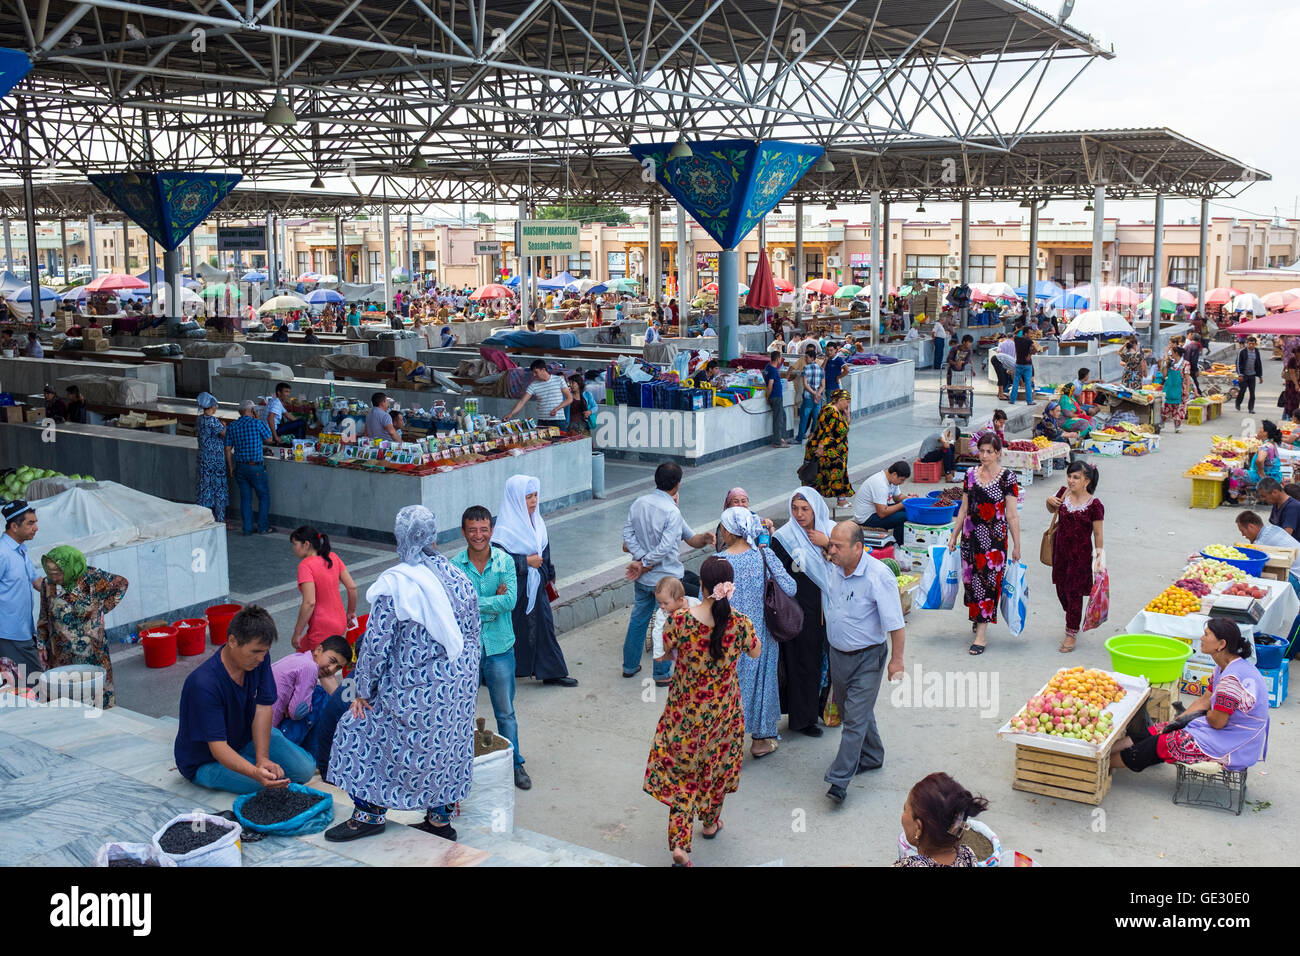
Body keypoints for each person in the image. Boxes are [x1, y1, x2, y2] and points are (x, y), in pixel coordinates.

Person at [325, 506, 481, 842]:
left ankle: (368, 816)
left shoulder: (397, 585)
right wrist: (460, 691)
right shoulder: (458, 578)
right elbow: (472, 638)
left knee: (357, 730)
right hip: (454, 696)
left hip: (409, 696)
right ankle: (440, 822)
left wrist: (363, 693)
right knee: (445, 748)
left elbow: (375, 646)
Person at [643, 556, 759, 867]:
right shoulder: (740, 623)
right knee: (716, 770)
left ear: (703, 586)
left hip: (684, 715)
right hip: (723, 714)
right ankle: (709, 823)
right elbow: (756, 650)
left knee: (684, 776)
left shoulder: (680, 622)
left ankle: (680, 843)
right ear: (729, 587)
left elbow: (664, 655)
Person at [174, 605, 316, 794]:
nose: (261, 658)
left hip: (244, 737)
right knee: (270, 785)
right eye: (255, 651)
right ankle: (244, 766)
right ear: (232, 641)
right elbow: (218, 748)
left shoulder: (260, 659)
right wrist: (254, 771)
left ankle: (253, 758)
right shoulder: (203, 684)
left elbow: (264, 707)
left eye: (264, 652)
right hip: (205, 760)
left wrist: (263, 758)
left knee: (304, 771)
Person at [1112, 620, 1269, 775]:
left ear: (1221, 644)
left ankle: (1105, 764)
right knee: (1161, 729)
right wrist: (1178, 721)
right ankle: (1107, 751)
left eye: (1207, 634)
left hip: (1234, 743)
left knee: (1165, 743)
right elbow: (1205, 700)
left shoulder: (1231, 680)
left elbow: (1218, 722)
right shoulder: (1226, 666)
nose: (1202, 638)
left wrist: (1201, 717)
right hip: (1224, 730)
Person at [822, 521, 905, 804]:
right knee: (852, 710)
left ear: (858, 547)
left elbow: (896, 623)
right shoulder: (832, 568)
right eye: (830, 544)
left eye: (837, 546)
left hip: (868, 657)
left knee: (854, 719)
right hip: (837, 655)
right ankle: (872, 755)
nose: (831, 550)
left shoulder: (878, 576)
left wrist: (897, 660)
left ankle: (839, 779)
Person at [453, 505, 530, 789]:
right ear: (463, 532)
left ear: (491, 531)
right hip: (467, 650)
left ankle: (515, 764)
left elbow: (510, 601)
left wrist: (474, 603)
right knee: (461, 710)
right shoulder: (454, 565)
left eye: (484, 530)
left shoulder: (504, 561)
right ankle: (461, 765)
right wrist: (490, 604)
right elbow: (455, 606)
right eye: (472, 530)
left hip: (499, 647)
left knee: (505, 711)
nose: (478, 535)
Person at [622, 462, 715, 682]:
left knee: (638, 620)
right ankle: (662, 674)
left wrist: (640, 560)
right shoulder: (671, 512)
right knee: (665, 626)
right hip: (665, 581)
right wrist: (645, 562)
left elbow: (628, 534)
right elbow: (664, 548)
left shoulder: (639, 503)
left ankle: (629, 665)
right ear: (677, 485)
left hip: (643, 578)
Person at [716, 507, 796, 759]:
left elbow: (704, 601)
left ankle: (727, 743)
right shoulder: (765, 556)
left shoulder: (717, 563)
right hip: (760, 636)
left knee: (729, 688)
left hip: (727, 637)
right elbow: (791, 588)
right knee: (762, 684)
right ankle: (761, 741)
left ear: (727, 531)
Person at [492, 475, 577, 687]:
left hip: (536, 584)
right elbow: (497, 562)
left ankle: (552, 672)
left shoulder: (537, 521)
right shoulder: (504, 529)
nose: (533, 501)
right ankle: (495, 673)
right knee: (508, 629)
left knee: (544, 626)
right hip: (514, 587)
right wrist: (525, 561)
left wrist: (549, 571)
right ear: (516, 499)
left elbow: (544, 550)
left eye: (535, 495)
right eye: (528, 496)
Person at [947, 433, 1021, 655]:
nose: (985, 455)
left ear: (998, 453)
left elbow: (1012, 515)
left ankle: (981, 635)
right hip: (970, 539)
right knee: (971, 583)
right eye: (982, 451)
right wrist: (954, 535)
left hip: (994, 542)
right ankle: (978, 616)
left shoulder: (1008, 478)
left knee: (987, 584)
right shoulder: (970, 475)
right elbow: (963, 508)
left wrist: (1017, 545)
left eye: (990, 451)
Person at [771, 487, 833, 738]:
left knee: (828, 662)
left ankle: (824, 709)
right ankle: (803, 719)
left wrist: (826, 544)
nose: (799, 514)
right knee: (802, 664)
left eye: (805, 509)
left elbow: (848, 559)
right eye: (795, 508)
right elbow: (775, 575)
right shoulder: (784, 538)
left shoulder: (829, 531)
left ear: (815, 508)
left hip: (829, 610)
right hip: (798, 615)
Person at [35, 546, 128, 708]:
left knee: (96, 697)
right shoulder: (47, 584)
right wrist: (41, 644)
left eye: (58, 572)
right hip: (60, 653)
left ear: (71, 567)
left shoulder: (92, 578)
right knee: (66, 698)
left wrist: (103, 609)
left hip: (92, 651)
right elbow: (44, 615)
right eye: (50, 571)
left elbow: (122, 584)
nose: (53, 577)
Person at [1045, 462, 1105, 654]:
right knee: (1061, 590)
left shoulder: (1095, 505)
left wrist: (1099, 556)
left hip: (1080, 557)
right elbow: (1050, 510)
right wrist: (1049, 501)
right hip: (1060, 553)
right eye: (1069, 476)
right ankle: (1072, 615)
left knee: (1074, 593)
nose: (1071, 480)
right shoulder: (1063, 493)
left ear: (1086, 481)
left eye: (1076, 477)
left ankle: (1071, 633)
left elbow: (1097, 533)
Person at [271, 635, 352, 757]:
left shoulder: (298, 658)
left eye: (338, 667)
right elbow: (297, 713)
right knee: (321, 697)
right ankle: (311, 758)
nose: (331, 669)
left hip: (256, 722)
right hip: (266, 733)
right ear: (318, 650)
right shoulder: (310, 667)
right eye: (332, 660)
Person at [894, 772, 988, 868]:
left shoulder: (906, 865)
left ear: (918, 828)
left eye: (905, 809)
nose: (903, 815)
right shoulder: (968, 855)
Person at [289, 526, 358, 652]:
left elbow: (309, 602)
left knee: (309, 663)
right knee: (326, 662)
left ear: (306, 544)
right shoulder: (333, 557)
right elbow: (352, 587)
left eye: (295, 544)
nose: (293, 548)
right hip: (340, 622)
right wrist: (351, 612)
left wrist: (297, 632)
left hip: (321, 627)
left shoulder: (305, 566)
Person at [0, 501, 45, 686]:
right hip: (9, 633)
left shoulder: (21, 549)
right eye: (30, 523)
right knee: (32, 683)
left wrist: (68, 591)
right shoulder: (2, 553)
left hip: (24, 629)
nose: (36, 527)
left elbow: (36, 581)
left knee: (24, 683)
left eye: (35, 522)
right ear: (14, 526)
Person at [224, 399, 273, 535]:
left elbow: (227, 449)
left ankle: (247, 528)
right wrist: (259, 418)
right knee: (263, 496)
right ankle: (263, 527)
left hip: (240, 467)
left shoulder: (232, 426)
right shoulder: (257, 423)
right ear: (252, 411)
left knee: (245, 499)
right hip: (255, 467)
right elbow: (269, 439)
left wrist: (231, 468)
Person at [802, 388, 854, 507]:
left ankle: (841, 499)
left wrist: (847, 415)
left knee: (838, 473)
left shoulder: (838, 411)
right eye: (847, 402)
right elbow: (825, 432)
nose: (847, 405)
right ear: (840, 400)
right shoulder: (829, 411)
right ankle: (810, 499)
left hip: (836, 451)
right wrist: (820, 448)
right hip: (826, 451)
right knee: (818, 474)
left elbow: (844, 428)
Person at [853, 461, 916, 546]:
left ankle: (900, 541)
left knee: (908, 509)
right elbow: (882, 513)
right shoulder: (880, 484)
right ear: (894, 474)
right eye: (901, 480)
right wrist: (903, 504)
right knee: (904, 517)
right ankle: (898, 545)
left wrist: (909, 500)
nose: (902, 483)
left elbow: (898, 497)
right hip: (866, 517)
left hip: (877, 510)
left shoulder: (892, 480)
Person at [1235, 510, 1300, 587]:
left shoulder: (1261, 542)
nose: (1243, 535)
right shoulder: (1273, 528)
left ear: (1251, 527)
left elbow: (1249, 562)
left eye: (1242, 531)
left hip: (1296, 577)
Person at [1228, 424, 1284, 504]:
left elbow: (1260, 460)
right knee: (1246, 470)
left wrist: (1261, 472)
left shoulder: (1266, 446)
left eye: (1261, 428)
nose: (1258, 430)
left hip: (1265, 477)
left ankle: (1232, 498)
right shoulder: (1272, 444)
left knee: (1235, 472)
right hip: (1274, 476)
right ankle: (1245, 493)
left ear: (1265, 433)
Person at [193, 392, 228, 523]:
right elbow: (224, 433)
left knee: (205, 488)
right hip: (215, 460)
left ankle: (204, 519)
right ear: (212, 405)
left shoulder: (200, 419)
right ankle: (220, 519)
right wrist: (224, 425)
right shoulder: (213, 421)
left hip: (203, 458)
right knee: (218, 489)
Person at [507, 360, 572, 428]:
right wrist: (511, 414)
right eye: (533, 373)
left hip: (558, 420)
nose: (534, 375)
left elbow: (569, 398)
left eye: (536, 372)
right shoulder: (533, 385)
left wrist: (557, 408)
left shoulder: (559, 380)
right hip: (542, 421)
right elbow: (522, 402)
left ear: (543, 370)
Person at [795, 343, 825, 443]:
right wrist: (817, 393)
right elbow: (823, 385)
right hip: (818, 398)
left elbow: (805, 384)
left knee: (804, 418)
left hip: (808, 397)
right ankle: (815, 439)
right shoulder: (821, 369)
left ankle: (799, 439)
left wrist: (813, 393)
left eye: (807, 357)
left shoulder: (806, 368)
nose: (806, 359)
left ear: (812, 358)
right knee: (816, 419)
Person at [1256, 477, 1300, 541]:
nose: (1263, 499)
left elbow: (1286, 536)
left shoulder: (1292, 507)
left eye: (1264, 496)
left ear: (1275, 492)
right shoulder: (1276, 504)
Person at [763, 349, 790, 448]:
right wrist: (768, 396)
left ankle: (781, 437)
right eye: (780, 358)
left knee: (782, 416)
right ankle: (777, 441)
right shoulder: (773, 370)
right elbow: (770, 384)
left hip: (775, 396)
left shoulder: (767, 367)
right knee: (778, 419)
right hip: (775, 396)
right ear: (778, 359)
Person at [1160, 346, 1191, 433]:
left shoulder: (1185, 364)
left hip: (1180, 389)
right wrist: (1165, 364)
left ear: (1176, 353)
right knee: (1166, 407)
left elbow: (1187, 378)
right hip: (1169, 388)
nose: (1170, 354)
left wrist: (1187, 390)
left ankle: (1177, 427)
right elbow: (1165, 375)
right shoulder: (1170, 363)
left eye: (1171, 352)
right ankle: (1161, 423)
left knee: (1179, 408)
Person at [1008, 328, 1037, 405]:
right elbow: (1036, 348)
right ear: (1025, 333)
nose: (1031, 335)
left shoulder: (1017, 339)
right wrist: (1029, 355)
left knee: (1015, 383)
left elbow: (1013, 333)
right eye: (1030, 333)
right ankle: (1029, 401)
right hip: (1027, 365)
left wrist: (1020, 328)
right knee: (1028, 383)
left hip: (1018, 364)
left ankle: (1012, 400)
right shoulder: (1029, 341)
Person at [1236, 336, 1263, 413]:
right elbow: (1238, 363)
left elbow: (1259, 364)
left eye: (1253, 344)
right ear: (1247, 343)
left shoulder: (1257, 351)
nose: (1251, 345)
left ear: (1255, 344)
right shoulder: (1242, 352)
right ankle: (1238, 403)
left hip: (1252, 375)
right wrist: (1240, 374)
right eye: (1250, 344)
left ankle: (1251, 408)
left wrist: (1260, 376)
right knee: (1243, 390)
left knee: (1252, 393)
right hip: (1243, 375)